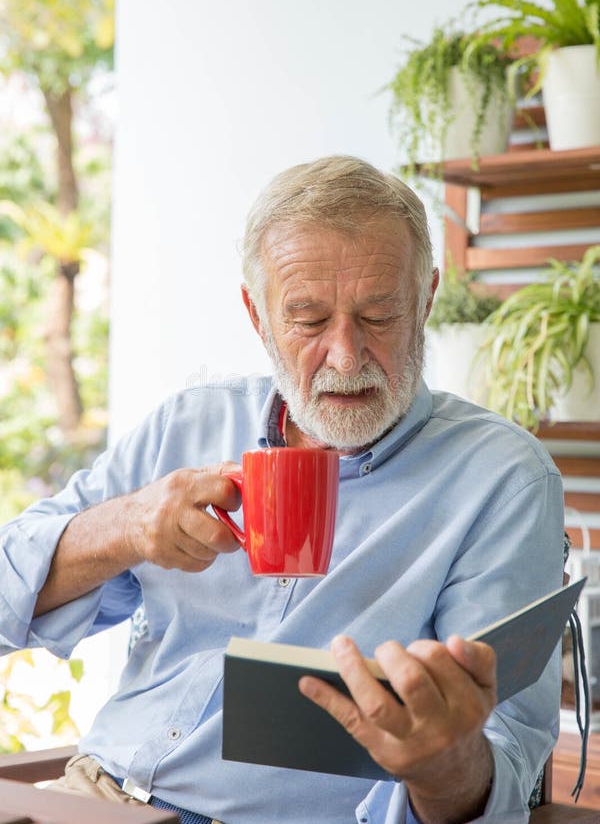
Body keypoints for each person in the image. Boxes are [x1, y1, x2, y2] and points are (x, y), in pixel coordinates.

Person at [0, 156, 564, 824]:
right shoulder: (188, 425)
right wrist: (124, 526)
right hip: (99, 796)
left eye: (380, 316)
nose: (346, 356)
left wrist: (443, 765)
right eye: (309, 318)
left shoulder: (500, 477)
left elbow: (503, 763)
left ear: (428, 298)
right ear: (256, 313)